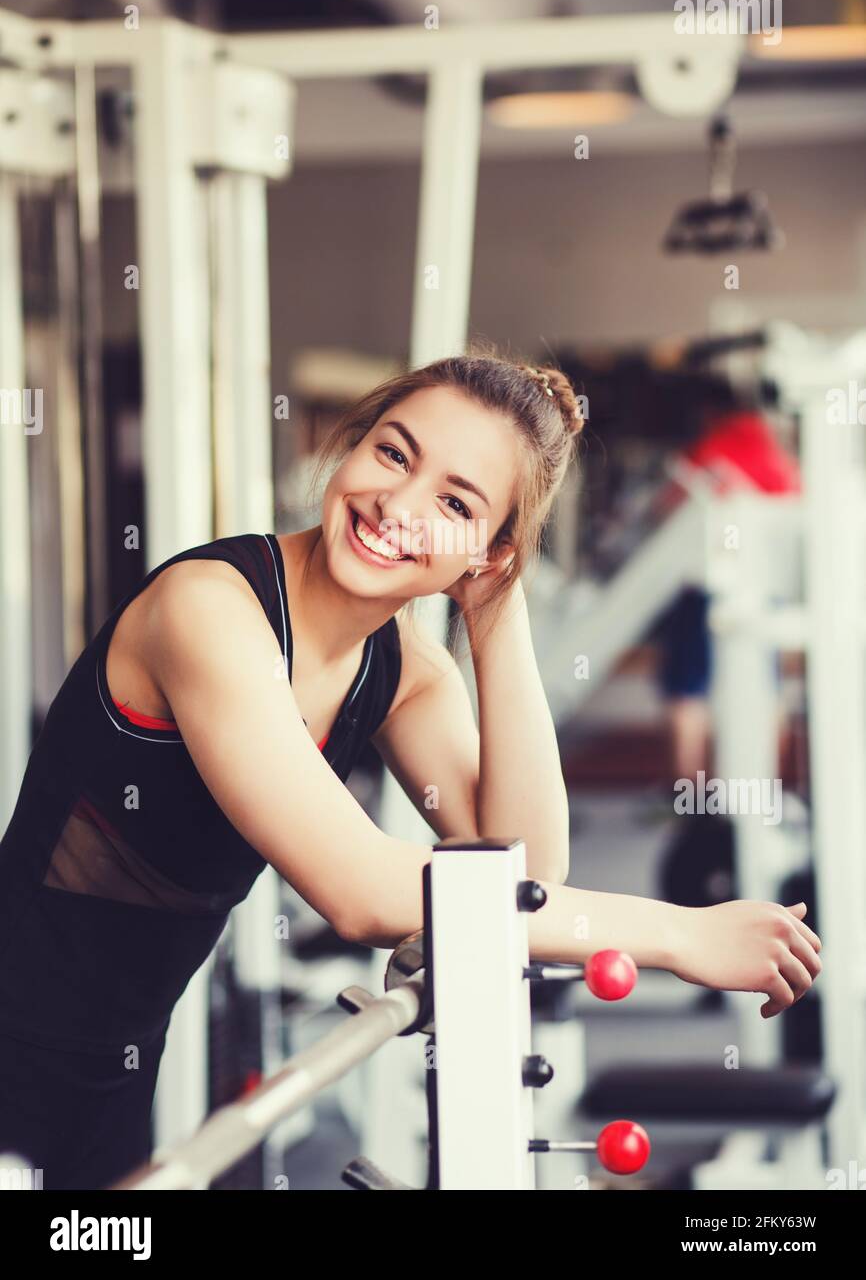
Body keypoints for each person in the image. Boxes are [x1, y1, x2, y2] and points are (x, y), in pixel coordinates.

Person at [0, 341, 821, 1189]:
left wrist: (497, 610)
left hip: (114, 1071)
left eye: (456, 502)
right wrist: (678, 932)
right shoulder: (207, 609)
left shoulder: (401, 673)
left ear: (487, 552)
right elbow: (360, 895)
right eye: (394, 451)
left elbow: (525, 869)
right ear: (354, 444)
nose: (398, 503)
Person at [657, 379, 802, 780]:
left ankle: (689, 795)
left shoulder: (708, 448)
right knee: (766, 685)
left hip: (702, 586)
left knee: (688, 688)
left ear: (706, 412)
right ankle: (767, 783)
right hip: (763, 590)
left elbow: (667, 507)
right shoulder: (775, 454)